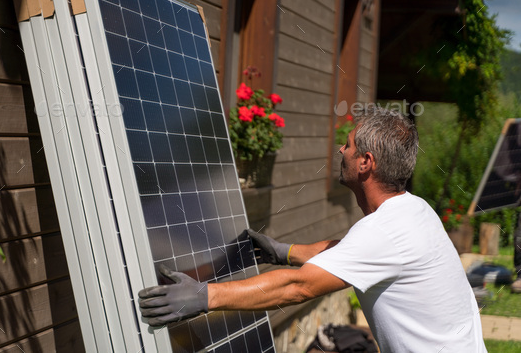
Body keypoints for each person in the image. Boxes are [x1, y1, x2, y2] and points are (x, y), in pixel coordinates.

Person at [139, 107, 486, 352]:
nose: (341, 149)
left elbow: (299, 287)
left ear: (366, 163)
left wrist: (205, 296)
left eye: (348, 145)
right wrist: (286, 252)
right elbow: (351, 251)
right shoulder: (415, 211)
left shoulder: (386, 230)